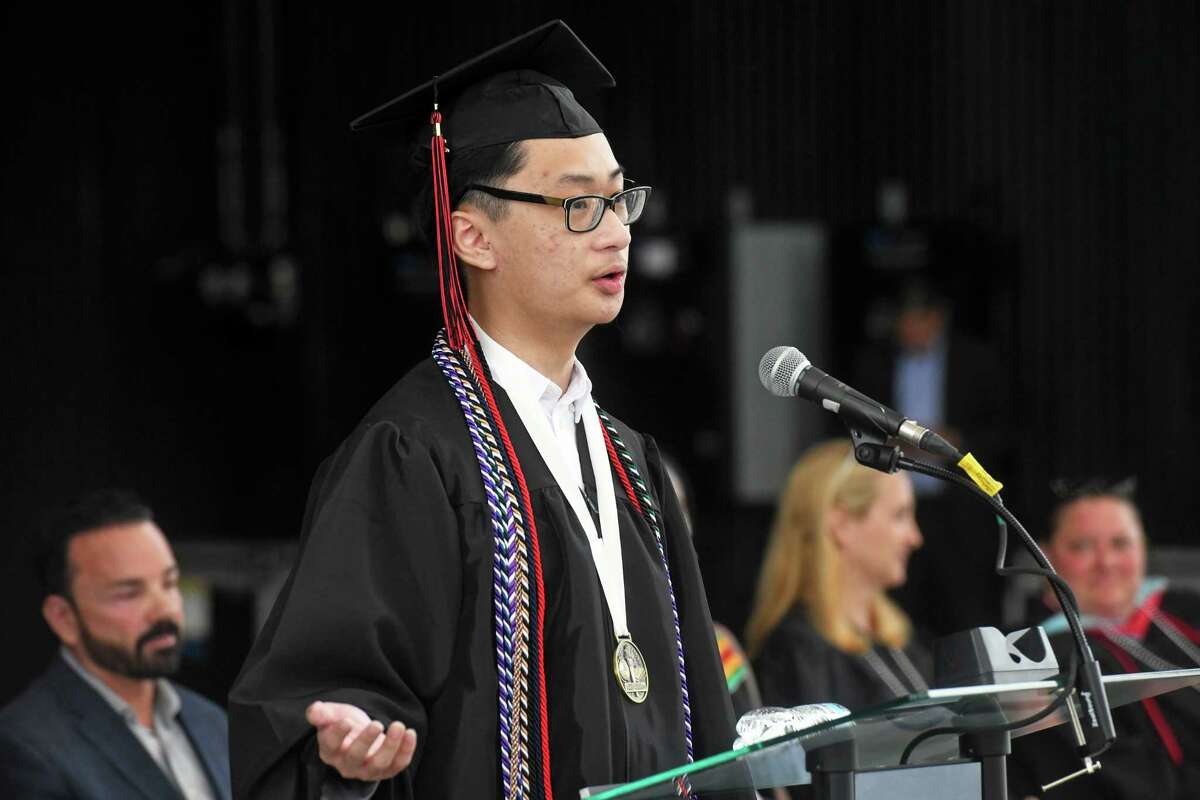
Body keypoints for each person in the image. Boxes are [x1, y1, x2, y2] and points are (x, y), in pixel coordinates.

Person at [228, 20, 737, 800]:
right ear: (471, 236)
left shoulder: (632, 461)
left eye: (618, 199)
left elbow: (701, 727)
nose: (615, 233)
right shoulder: (411, 457)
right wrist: (348, 754)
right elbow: (324, 708)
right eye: (577, 206)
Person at [0, 489, 232, 799]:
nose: (163, 609)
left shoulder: (210, 721)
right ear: (63, 618)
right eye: (128, 593)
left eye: (169, 583)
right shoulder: (26, 745)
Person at [1007, 479, 1200, 800]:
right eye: (1082, 546)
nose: (1106, 563)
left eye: (1121, 543)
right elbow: (1121, 784)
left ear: (1144, 548)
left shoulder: (1187, 611)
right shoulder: (1036, 660)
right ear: (1047, 557)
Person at [746, 440, 929, 712]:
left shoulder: (898, 639)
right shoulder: (795, 653)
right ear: (841, 524)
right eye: (900, 515)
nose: (916, 538)